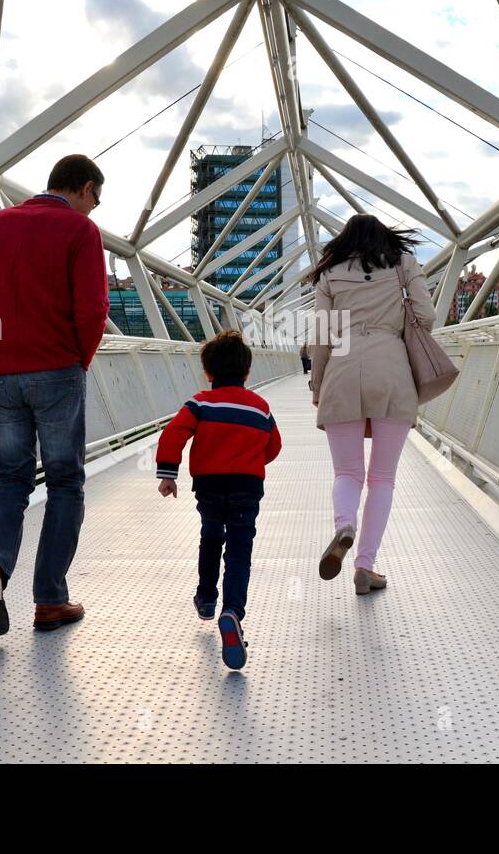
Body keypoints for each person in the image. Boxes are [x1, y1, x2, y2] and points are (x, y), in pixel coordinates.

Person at [0, 154, 109, 636]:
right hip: (56, 370)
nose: (93, 210)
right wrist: (77, 361)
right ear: (85, 188)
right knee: (65, 482)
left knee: (10, 478)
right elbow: (92, 310)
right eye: (96, 200)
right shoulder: (80, 232)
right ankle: (50, 600)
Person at [306, 214, 435, 595]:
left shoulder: (329, 275)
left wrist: (318, 385)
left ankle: (344, 525)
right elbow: (426, 317)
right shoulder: (404, 264)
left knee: (347, 473)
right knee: (383, 478)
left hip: (343, 371)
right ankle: (365, 566)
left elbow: (321, 337)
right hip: (392, 370)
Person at [155, 330, 282, 670]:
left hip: (209, 486)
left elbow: (173, 434)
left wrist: (168, 474)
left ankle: (207, 599)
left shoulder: (200, 403)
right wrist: (251, 462)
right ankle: (233, 612)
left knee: (211, 538)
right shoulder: (260, 407)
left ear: (208, 373)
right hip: (247, 487)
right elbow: (273, 446)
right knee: (240, 550)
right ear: (247, 373)